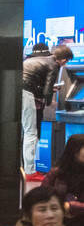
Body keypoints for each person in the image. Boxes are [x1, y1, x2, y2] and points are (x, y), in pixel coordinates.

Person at [23, 43, 74, 177]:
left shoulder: (33, 58)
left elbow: (35, 80)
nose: (65, 65)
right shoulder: (53, 64)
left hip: (19, 91)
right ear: (64, 60)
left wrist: (49, 90)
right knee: (31, 133)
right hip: (26, 93)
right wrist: (50, 101)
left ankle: (22, 169)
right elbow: (46, 90)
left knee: (24, 132)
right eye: (66, 62)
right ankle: (30, 172)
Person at [44, 135, 84, 226]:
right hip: (59, 224)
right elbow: (42, 195)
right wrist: (59, 207)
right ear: (74, 151)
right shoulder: (57, 172)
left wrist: (71, 206)